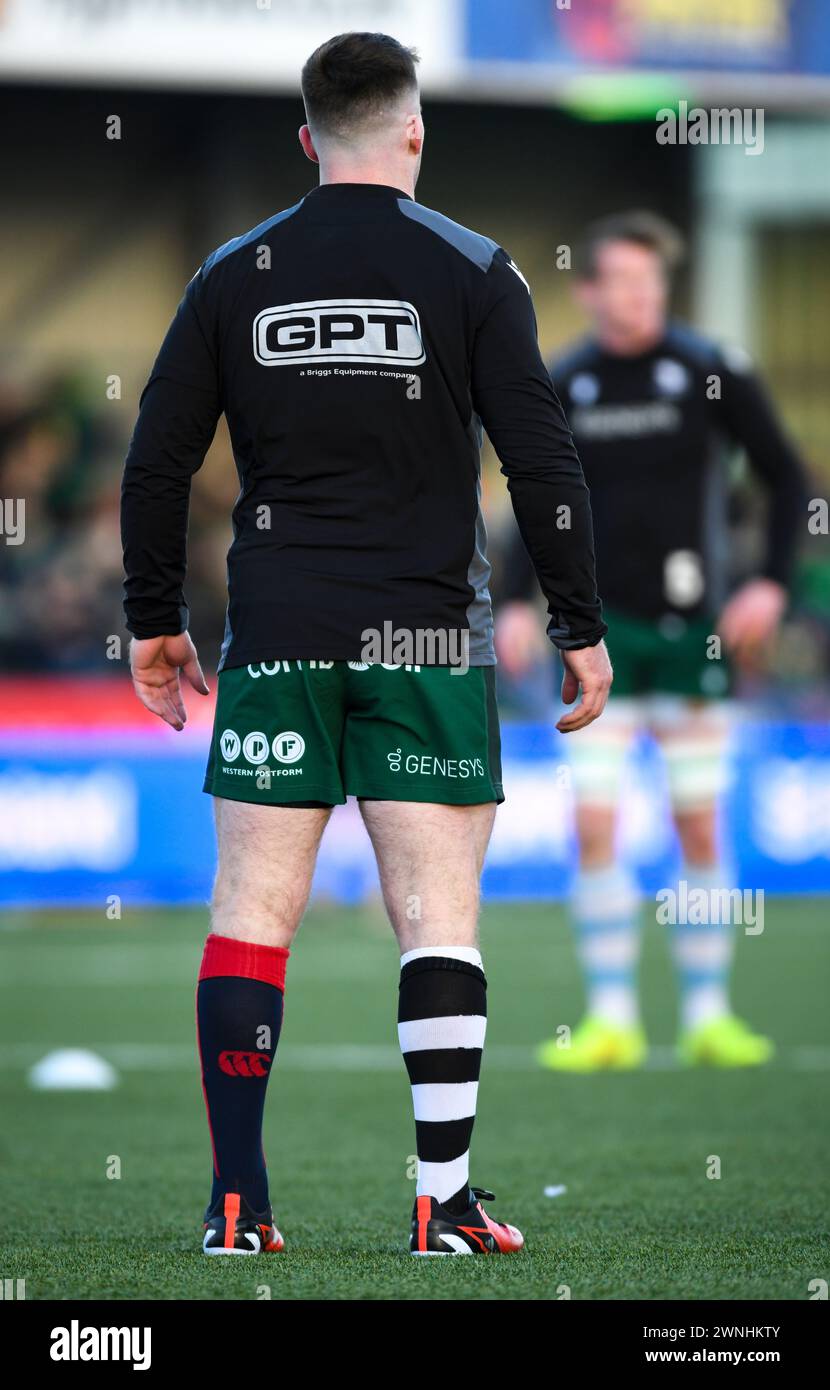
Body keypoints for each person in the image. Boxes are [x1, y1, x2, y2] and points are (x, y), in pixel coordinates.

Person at [121, 31, 611, 1256]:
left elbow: (156, 461)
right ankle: (439, 1201)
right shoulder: (474, 267)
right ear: (413, 131)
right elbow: (542, 461)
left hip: (280, 626)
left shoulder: (233, 271)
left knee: (250, 908)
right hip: (425, 637)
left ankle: (238, 1205)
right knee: (437, 917)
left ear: (304, 138)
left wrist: (150, 619)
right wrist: (577, 621)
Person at [497, 211, 807, 1072]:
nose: (637, 297)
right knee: (594, 828)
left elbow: (786, 475)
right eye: (620, 281)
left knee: (697, 825)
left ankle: (709, 1013)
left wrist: (770, 582)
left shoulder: (708, 371)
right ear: (587, 289)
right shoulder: (568, 379)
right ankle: (611, 1018)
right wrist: (520, 598)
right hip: (595, 639)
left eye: (651, 282)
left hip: (694, 638)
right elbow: (536, 494)